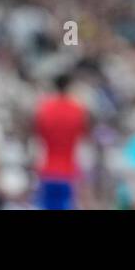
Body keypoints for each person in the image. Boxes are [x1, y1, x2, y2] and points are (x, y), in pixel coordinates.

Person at [33, 73, 89, 210]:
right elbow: (82, 134)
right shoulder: (78, 110)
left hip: (48, 168)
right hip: (68, 169)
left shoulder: (44, 109)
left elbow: (39, 134)